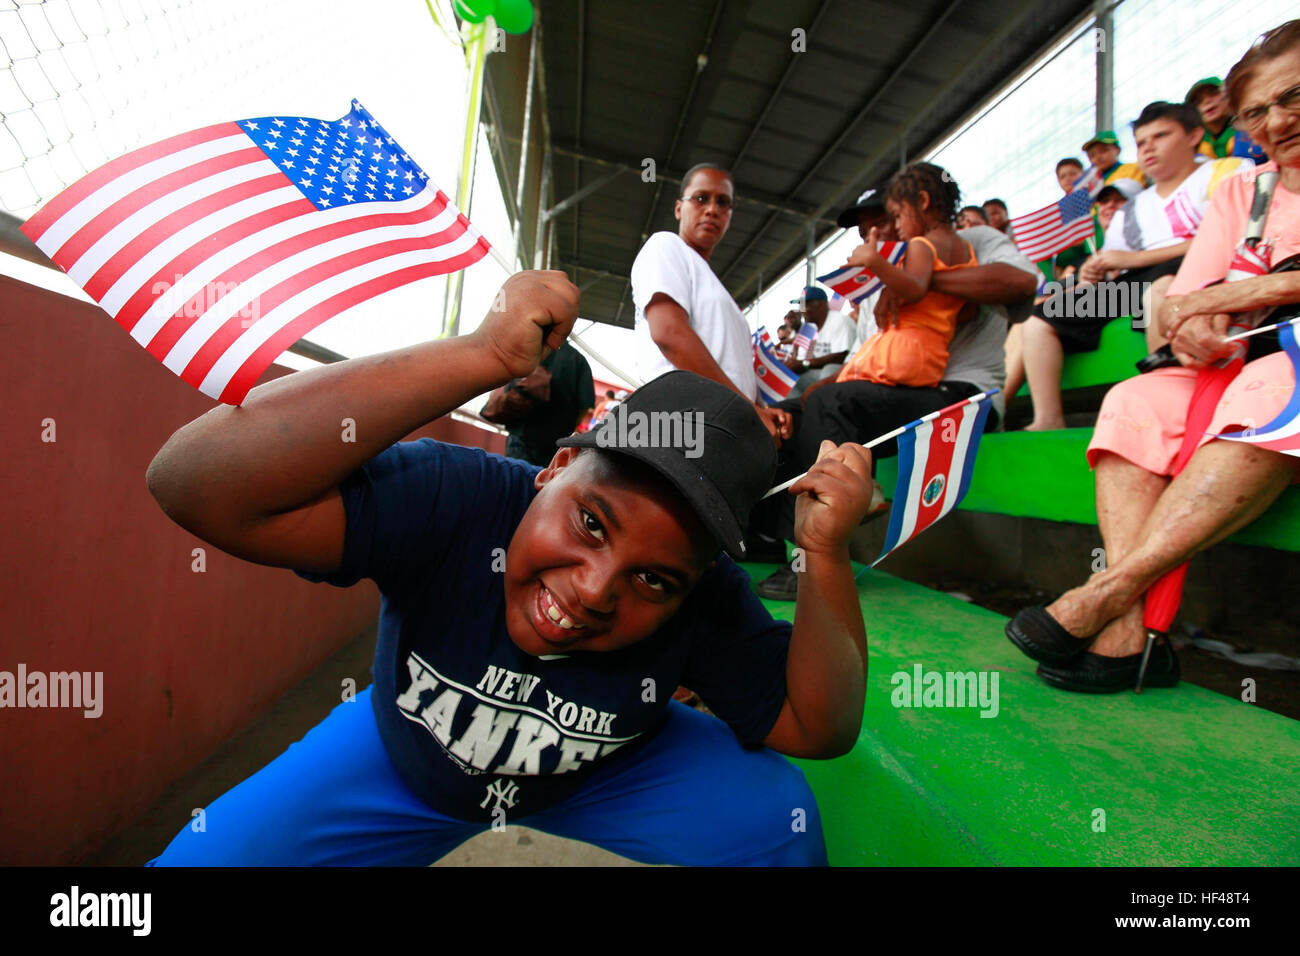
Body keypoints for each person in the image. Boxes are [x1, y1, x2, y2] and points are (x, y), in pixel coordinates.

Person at [143, 270, 878, 866]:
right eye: (591, 522)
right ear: (553, 467)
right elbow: (195, 484)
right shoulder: (457, 499)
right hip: (404, 763)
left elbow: (819, 726)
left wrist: (825, 555)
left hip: (603, 776)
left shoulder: (706, 597)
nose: (593, 590)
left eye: (655, 580)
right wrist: (484, 354)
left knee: (777, 821)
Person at [1004, 19, 1300, 693]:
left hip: (1287, 369)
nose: (1277, 122)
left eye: (1294, 98)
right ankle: (1129, 636)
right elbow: (1181, 302)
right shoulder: (1242, 191)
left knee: (1273, 383)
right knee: (1132, 400)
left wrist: (1262, 287)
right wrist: (1190, 326)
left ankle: (1105, 595)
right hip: (1231, 360)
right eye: (1258, 111)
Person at [752, 183, 1039, 599]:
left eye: (884, 224)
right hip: (894, 392)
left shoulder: (966, 241)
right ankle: (764, 534)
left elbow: (1022, 283)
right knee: (789, 413)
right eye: (865, 232)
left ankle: (818, 558)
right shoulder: (878, 280)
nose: (875, 239)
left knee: (832, 402)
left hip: (965, 395)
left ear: (913, 211)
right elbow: (869, 358)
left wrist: (916, 279)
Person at [1018, 101, 1252, 430]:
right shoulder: (1133, 208)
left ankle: (1180, 409)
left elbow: (1229, 238)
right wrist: (1093, 272)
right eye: (1141, 142)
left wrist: (1134, 260)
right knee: (1039, 319)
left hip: (1202, 268)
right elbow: (1117, 264)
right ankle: (1047, 419)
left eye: (1161, 135)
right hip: (1135, 281)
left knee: (1160, 292)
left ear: (1193, 135)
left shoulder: (1226, 171)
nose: (1148, 148)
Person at [631, 162, 790, 444]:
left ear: (729, 216)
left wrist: (762, 411)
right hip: (683, 422)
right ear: (679, 208)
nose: (712, 209)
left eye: (723, 203)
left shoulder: (719, 291)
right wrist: (748, 410)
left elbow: (732, 367)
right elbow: (669, 333)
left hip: (721, 426)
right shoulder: (666, 245)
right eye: (701, 198)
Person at [838, 162, 977, 390]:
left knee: (838, 391)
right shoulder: (966, 249)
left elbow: (914, 288)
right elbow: (969, 309)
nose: (899, 225)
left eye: (898, 216)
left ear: (922, 202)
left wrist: (874, 260)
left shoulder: (920, 245)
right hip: (933, 358)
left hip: (901, 353)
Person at [503, 342, 595, 465]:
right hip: (554, 444)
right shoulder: (578, 360)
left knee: (514, 479)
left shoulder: (529, 349)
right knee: (543, 482)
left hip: (520, 437)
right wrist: (570, 426)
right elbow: (585, 406)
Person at [784, 286, 857, 397]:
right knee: (790, 379)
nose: (802, 310)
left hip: (848, 373)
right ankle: (798, 412)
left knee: (829, 370)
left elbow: (840, 357)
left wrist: (804, 364)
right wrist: (794, 365)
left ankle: (826, 410)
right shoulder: (814, 328)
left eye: (805, 305)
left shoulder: (838, 320)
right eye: (801, 306)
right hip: (822, 375)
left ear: (821, 304)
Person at [1186, 75, 1267, 160]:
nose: (1207, 101)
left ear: (1227, 95)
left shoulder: (1249, 124)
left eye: (1213, 93)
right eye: (1198, 101)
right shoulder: (1194, 143)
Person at [1081, 129, 1147, 192]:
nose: (1098, 157)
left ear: (1118, 150)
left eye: (1103, 150)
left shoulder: (1133, 169)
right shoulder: (1089, 183)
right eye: (1092, 155)